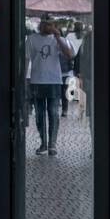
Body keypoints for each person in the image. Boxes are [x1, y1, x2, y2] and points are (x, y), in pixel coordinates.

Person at [26, 14, 73, 156]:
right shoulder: (32, 39)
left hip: (54, 81)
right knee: (39, 114)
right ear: (41, 25)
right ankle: (43, 143)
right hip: (37, 81)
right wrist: (24, 79)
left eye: (51, 24)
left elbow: (70, 54)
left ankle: (52, 144)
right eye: (46, 24)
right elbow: (27, 59)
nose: (49, 27)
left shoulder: (59, 39)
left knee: (53, 112)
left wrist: (58, 37)